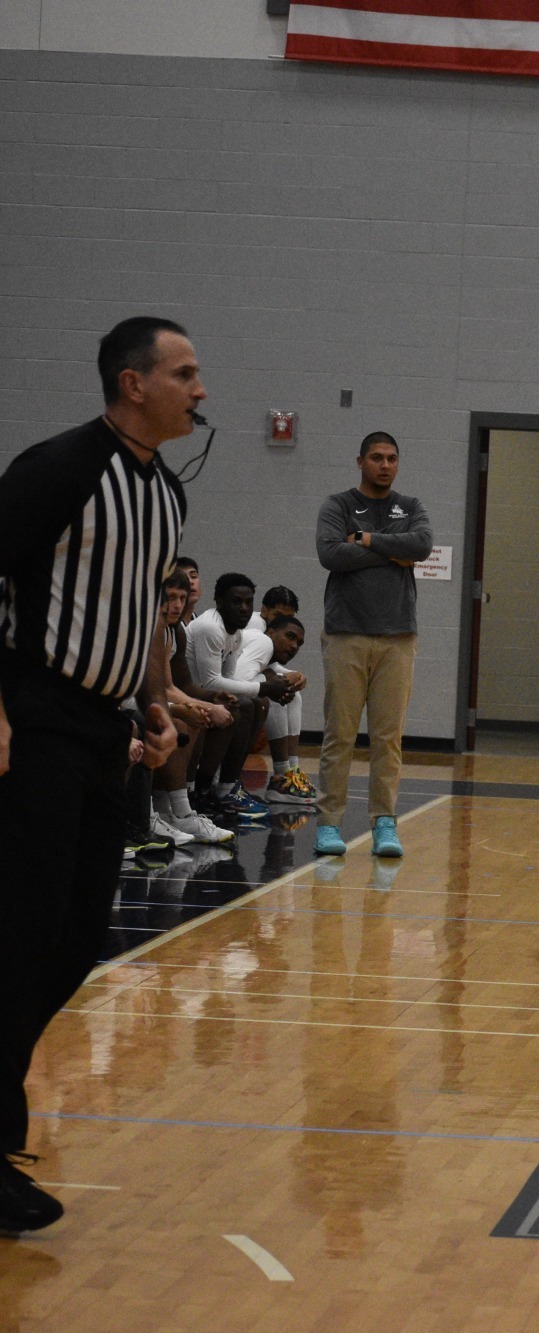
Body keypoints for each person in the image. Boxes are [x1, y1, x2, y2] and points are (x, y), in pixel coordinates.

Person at [0, 315, 194, 1231]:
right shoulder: (58, 468)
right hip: (36, 719)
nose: (201, 389)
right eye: (184, 373)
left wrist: (154, 701)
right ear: (133, 382)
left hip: (103, 732)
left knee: (76, 938)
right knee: (23, 934)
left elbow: (145, 611)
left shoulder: (166, 492)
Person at [315, 431, 431, 859]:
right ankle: (329, 823)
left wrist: (363, 539)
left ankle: (384, 822)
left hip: (398, 636)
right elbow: (330, 554)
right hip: (346, 633)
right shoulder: (338, 505)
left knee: (388, 738)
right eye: (377, 457)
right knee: (340, 734)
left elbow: (421, 545)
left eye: (392, 458)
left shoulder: (411, 506)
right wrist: (393, 551)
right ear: (360, 461)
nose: (385, 465)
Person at [185, 572, 288, 818]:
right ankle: (202, 790)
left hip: (205, 694)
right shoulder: (211, 627)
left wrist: (264, 691)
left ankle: (227, 786)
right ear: (220, 602)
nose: (244, 608)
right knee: (246, 704)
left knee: (255, 704)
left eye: (248, 602)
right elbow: (211, 681)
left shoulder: (236, 632)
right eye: (236, 601)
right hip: (187, 695)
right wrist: (265, 687)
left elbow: (228, 679)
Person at [152, 570, 235, 847]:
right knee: (179, 723)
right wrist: (182, 708)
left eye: (181, 598)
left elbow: (168, 686)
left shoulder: (170, 631)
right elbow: (144, 691)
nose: (177, 605)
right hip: (130, 703)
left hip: (149, 700)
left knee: (196, 717)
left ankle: (172, 806)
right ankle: (174, 810)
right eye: (170, 598)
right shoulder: (149, 629)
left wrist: (203, 705)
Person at [235, 588, 315, 805]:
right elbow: (243, 674)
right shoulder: (256, 630)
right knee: (276, 692)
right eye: (278, 615)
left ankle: (291, 771)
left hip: (236, 679)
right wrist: (280, 678)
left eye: (289, 617)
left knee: (291, 693)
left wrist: (292, 675)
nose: (283, 622)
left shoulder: (269, 634)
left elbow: (264, 665)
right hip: (225, 683)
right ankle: (281, 776)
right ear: (264, 611)